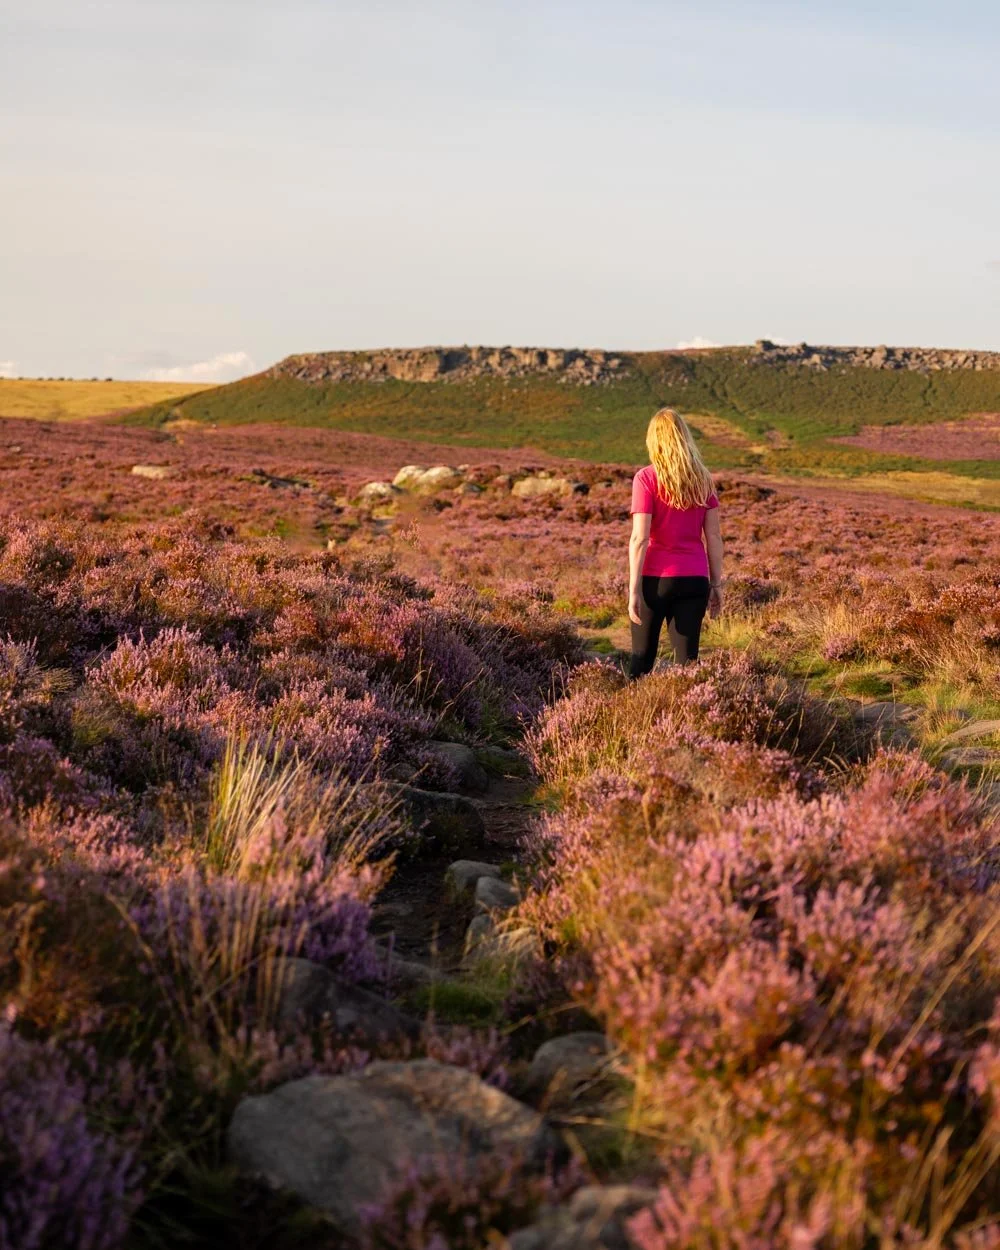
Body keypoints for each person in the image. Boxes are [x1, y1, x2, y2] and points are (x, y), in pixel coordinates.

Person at [627, 407, 724, 678]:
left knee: (641, 662)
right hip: (694, 579)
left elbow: (640, 538)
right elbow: (714, 537)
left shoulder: (645, 478)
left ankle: (635, 717)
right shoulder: (703, 479)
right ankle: (688, 718)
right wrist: (716, 584)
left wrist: (633, 589)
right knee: (688, 666)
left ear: (653, 440)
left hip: (655, 579)